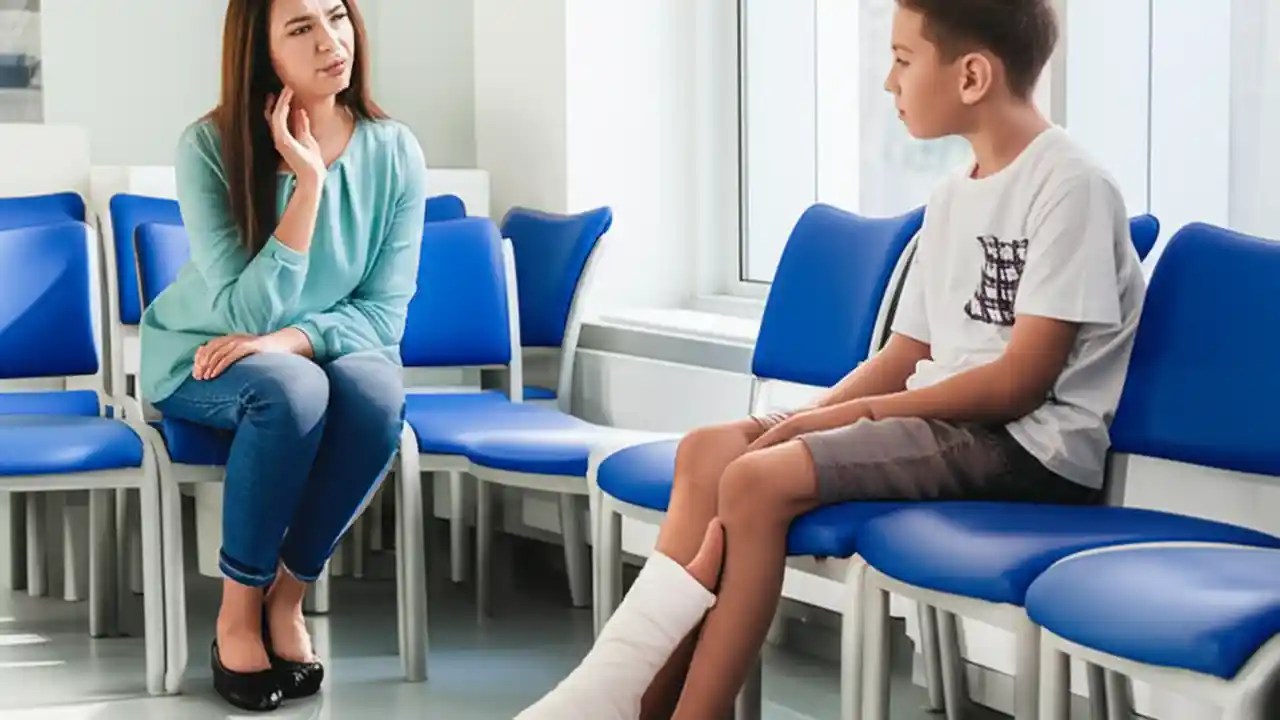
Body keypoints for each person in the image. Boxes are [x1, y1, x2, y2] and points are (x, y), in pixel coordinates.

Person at [548, 1, 1147, 718]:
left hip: (1026, 448)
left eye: (902, 59)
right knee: (711, 450)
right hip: (942, 427)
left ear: (972, 76)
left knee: (756, 481)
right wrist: (807, 416)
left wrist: (858, 414)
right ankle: (632, 702)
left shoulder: (1070, 184)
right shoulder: (953, 197)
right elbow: (906, 354)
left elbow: (1021, 382)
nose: (888, 84)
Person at [138, 0, 426, 711]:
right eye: (301, 28)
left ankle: (287, 597)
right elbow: (243, 313)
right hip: (203, 359)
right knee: (293, 391)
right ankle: (237, 608)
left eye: (337, 15)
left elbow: (385, 314)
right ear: (261, 54)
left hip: (310, 356)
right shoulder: (207, 146)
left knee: (376, 394)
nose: (332, 41)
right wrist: (309, 186)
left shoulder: (395, 152)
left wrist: (292, 340)